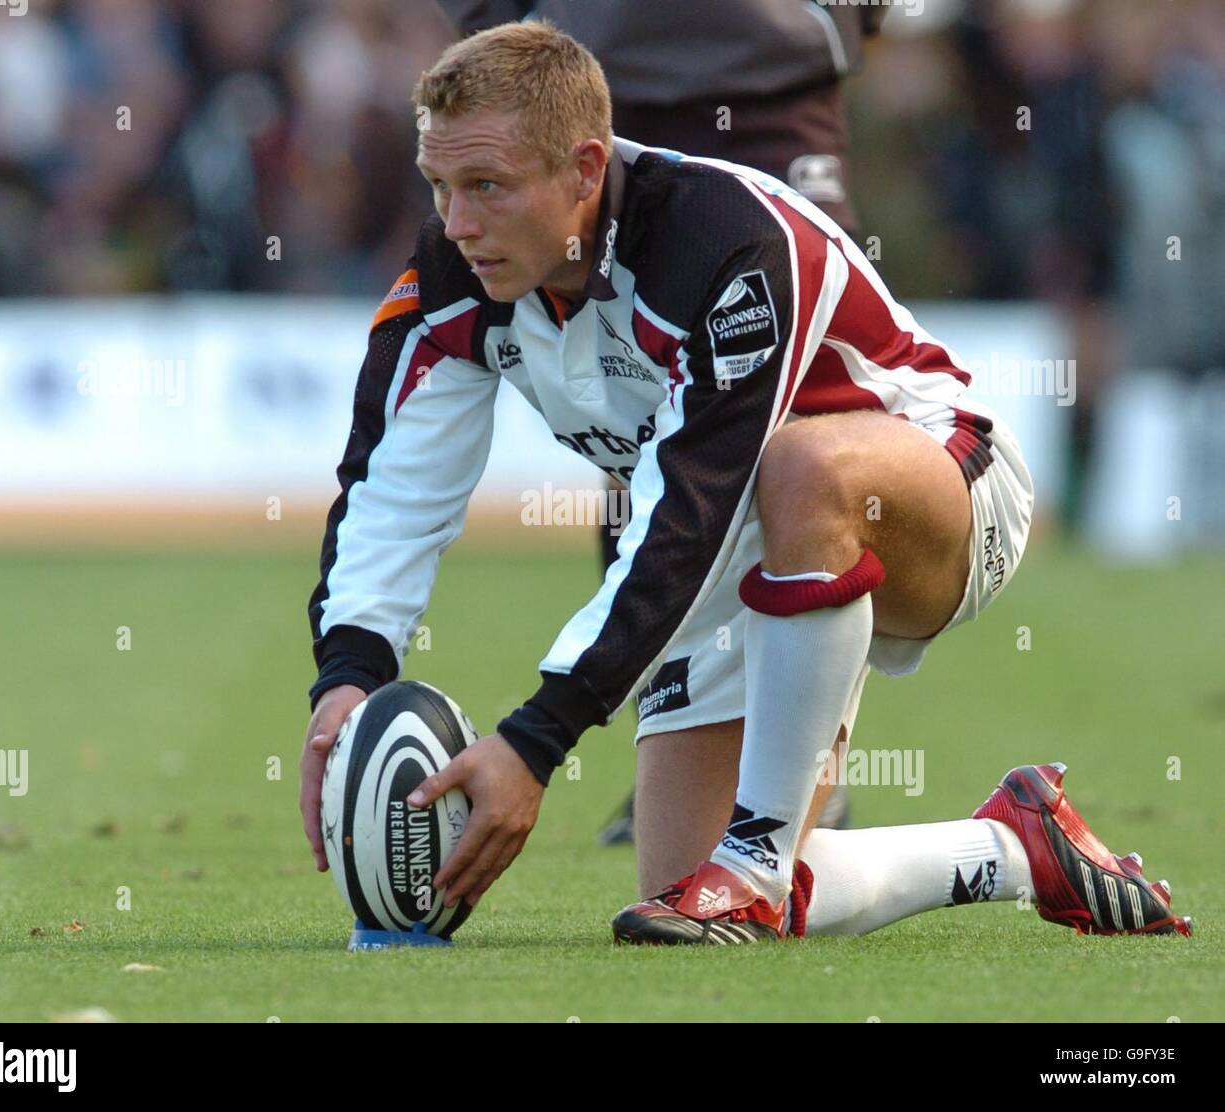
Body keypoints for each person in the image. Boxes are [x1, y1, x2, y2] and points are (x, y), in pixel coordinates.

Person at [298, 21, 1190, 943]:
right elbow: (392, 488)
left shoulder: (726, 241)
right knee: (680, 885)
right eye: (439, 186)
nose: (457, 222)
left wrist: (534, 739)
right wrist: (349, 677)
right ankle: (1014, 847)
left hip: (944, 485)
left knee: (796, 464)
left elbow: (693, 507)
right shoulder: (455, 266)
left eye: (486, 185)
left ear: (584, 168)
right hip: (740, 540)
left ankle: (757, 859)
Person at [434, 1, 887, 843]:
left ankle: (808, 763)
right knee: (643, 432)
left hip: (773, 90)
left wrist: (831, 20)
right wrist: (521, 34)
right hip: (602, 78)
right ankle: (682, 744)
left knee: (809, 432)